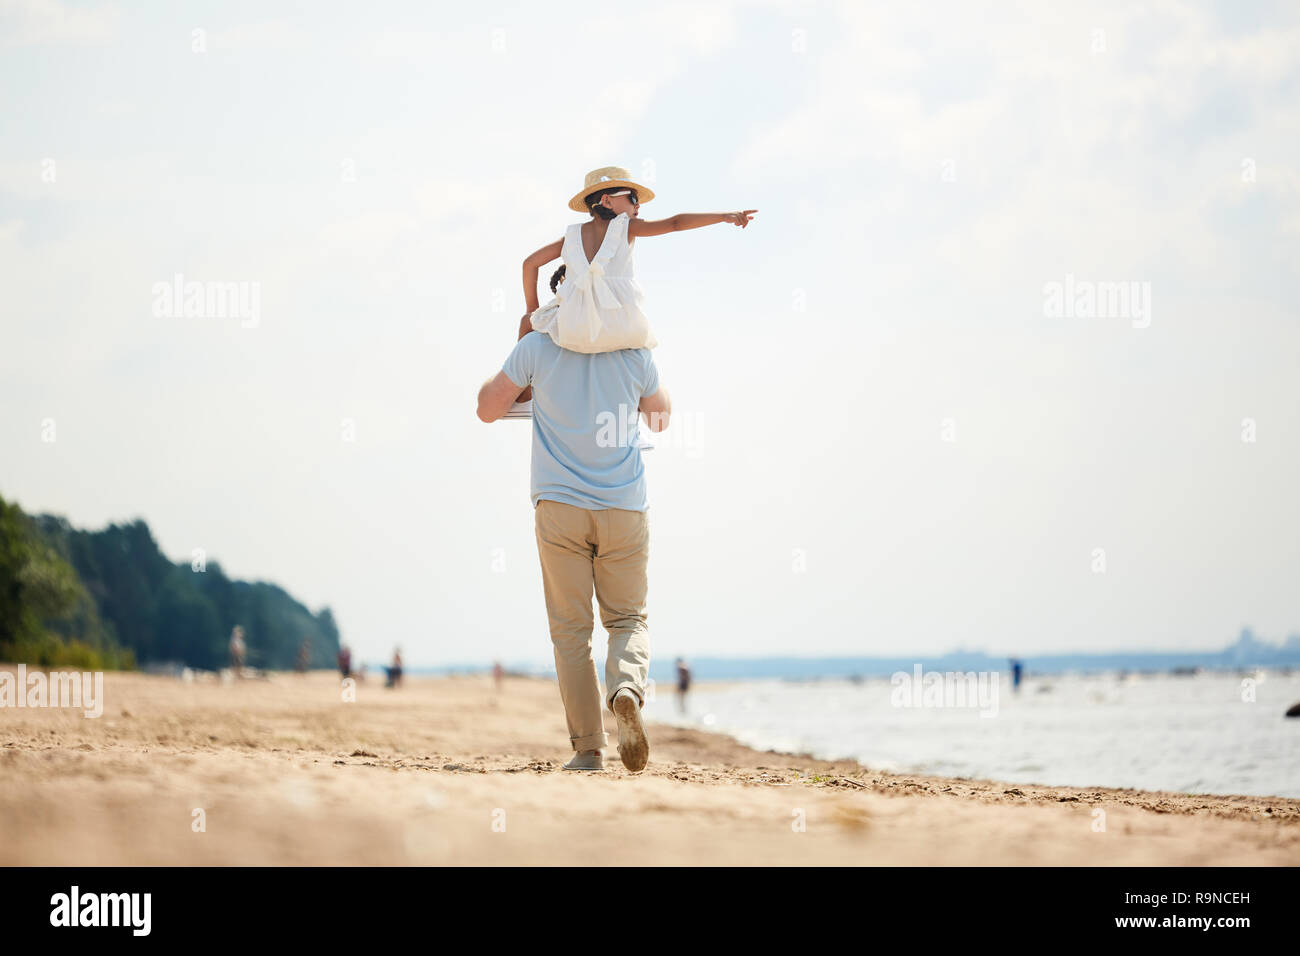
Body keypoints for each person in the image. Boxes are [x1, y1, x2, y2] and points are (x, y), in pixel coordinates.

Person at [476, 281, 674, 773]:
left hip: (560, 505)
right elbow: (661, 418)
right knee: (627, 620)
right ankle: (626, 688)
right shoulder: (633, 351)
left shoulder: (537, 346)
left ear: (558, 298)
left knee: (571, 633)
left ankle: (588, 750)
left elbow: (487, 408)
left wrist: (523, 344)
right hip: (624, 506)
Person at [505, 165, 756, 418]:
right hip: (620, 327)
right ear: (607, 200)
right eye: (633, 198)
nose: (638, 206)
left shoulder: (571, 236)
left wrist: (531, 309)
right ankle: (636, 405)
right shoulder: (627, 227)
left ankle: (523, 394)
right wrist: (725, 216)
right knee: (641, 359)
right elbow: (676, 223)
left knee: (528, 322)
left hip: (574, 328)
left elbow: (529, 263)